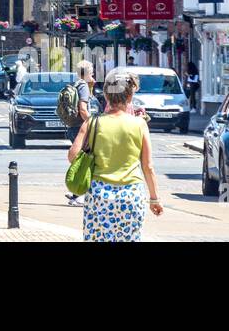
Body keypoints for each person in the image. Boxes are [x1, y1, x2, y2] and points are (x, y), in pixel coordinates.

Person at [68, 70, 163, 242]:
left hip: (99, 195)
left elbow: (73, 156)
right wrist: (154, 199)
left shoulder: (93, 122)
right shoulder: (139, 124)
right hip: (131, 195)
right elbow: (148, 166)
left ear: (105, 94)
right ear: (129, 97)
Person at [64, 61, 97, 206]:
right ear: (88, 72)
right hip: (80, 128)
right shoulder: (83, 86)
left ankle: (76, 192)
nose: (94, 74)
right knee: (84, 162)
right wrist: (93, 124)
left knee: (80, 161)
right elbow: (83, 109)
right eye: (92, 72)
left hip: (72, 127)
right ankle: (78, 194)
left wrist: (91, 86)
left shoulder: (76, 83)